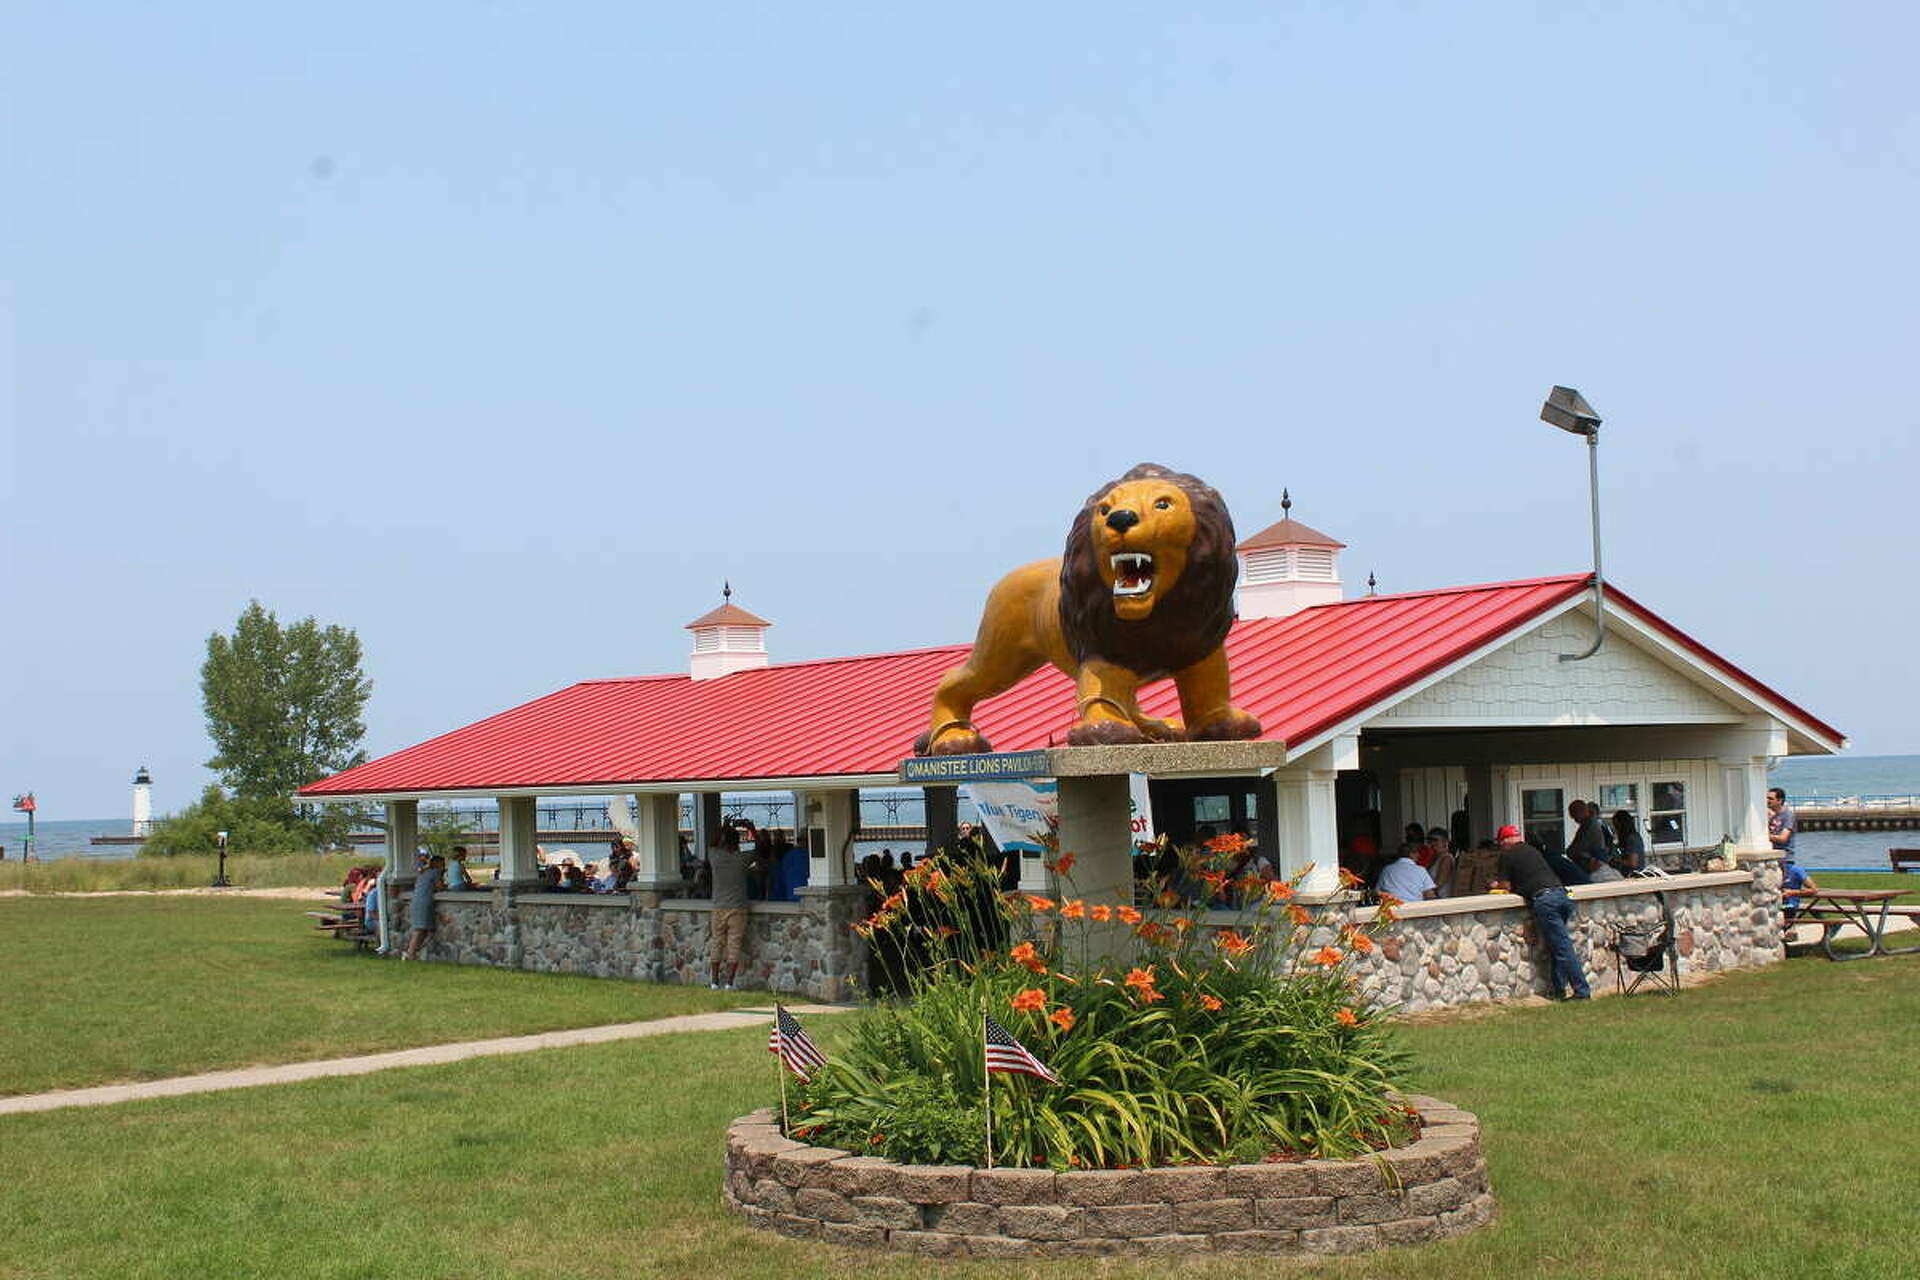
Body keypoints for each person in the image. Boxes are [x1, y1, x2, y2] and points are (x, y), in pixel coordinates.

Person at [1493, 824, 1590, 1000]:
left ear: (1505, 841)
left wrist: (1494, 884)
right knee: (1557, 946)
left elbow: (1505, 886)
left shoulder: (1507, 855)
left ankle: (1582, 991)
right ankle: (1559, 990)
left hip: (1545, 900)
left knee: (1563, 948)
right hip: (1562, 895)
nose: (1500, 846)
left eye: (1500, 842)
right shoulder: (1532, 850)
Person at [707, 822, 750, 989]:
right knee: (734, 944)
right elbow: (762, 848)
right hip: (738, 907)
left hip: (718, 906)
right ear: (738, 842)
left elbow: (711, 844)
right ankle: (730, 983)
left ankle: (714, 981)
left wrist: (722, 828)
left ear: (724, 841)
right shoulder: (742, 859)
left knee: (716, 942)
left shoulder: (715, 857)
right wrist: (751, 828)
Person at [403, 854, 445, 961]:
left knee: (423, 930)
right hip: (424, 902)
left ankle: (414, 952)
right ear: (437, 863)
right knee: (420, 929)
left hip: (416, 900)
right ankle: (410, 954)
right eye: (442, 863)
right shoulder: (435, 872)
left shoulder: (423, 872)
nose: (444, 865)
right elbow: (439, 886)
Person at [1422, 828, 1457, 897]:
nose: (1432, 843)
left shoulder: (1447, 858)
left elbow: (1439, 883)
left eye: (1435, 840)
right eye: (1430, 840)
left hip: (1442, 898)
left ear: (1445, 841)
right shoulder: (1434, 858)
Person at [1767, 788, 1798, 862]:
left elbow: (1783, 838)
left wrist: (1765, 837)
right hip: (1771, 856)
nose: (1767, 800)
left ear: (1779, 801)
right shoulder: (1770, 815)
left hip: (1784, 859)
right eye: (1766, 798)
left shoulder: (1787, 816)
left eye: (1770, 799)